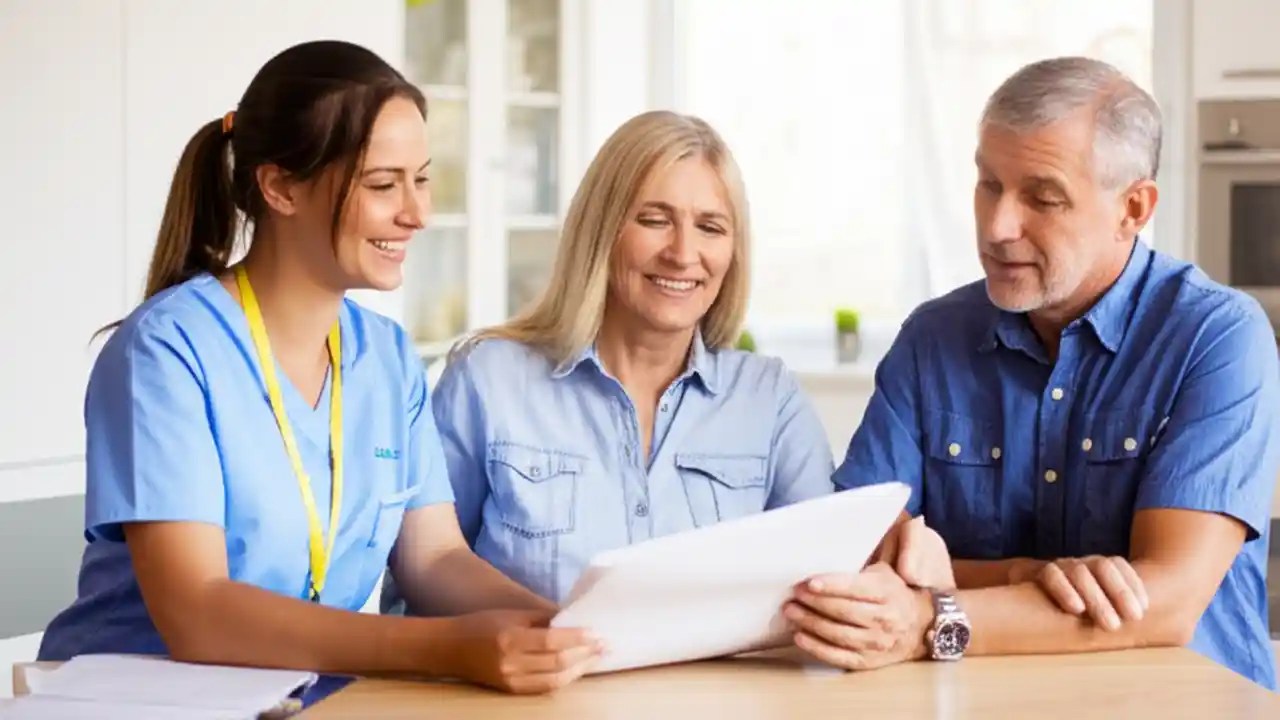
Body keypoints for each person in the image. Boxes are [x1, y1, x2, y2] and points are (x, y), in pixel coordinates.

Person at [37, 39, 603, 695]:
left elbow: (435, 557)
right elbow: (198, 613)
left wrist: (558, 627)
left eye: (421, 179)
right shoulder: (166, 351)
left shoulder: (387, 357)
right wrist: (446, 647)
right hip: (140, 704)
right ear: (280, 187)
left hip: (306, 701)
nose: (417, 213)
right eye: (383, 184)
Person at [787, 56, 1280, 691]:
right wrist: (1022, 575)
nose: (997, 227)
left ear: (1133, 207)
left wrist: (931, 612)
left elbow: (1164, 600)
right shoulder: (931, 339)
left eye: (1042, 198)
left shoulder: (1216, 338)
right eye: (988, 184)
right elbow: (855, 553)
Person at [383, 110, 954, 617]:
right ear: (602, 231)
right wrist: (555, 635)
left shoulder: (769, 398)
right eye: (654, 219)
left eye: (710, 227)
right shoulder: (489, 380)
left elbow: (828, 572)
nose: (683, 253)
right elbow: (422, 572)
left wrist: (898, 565)